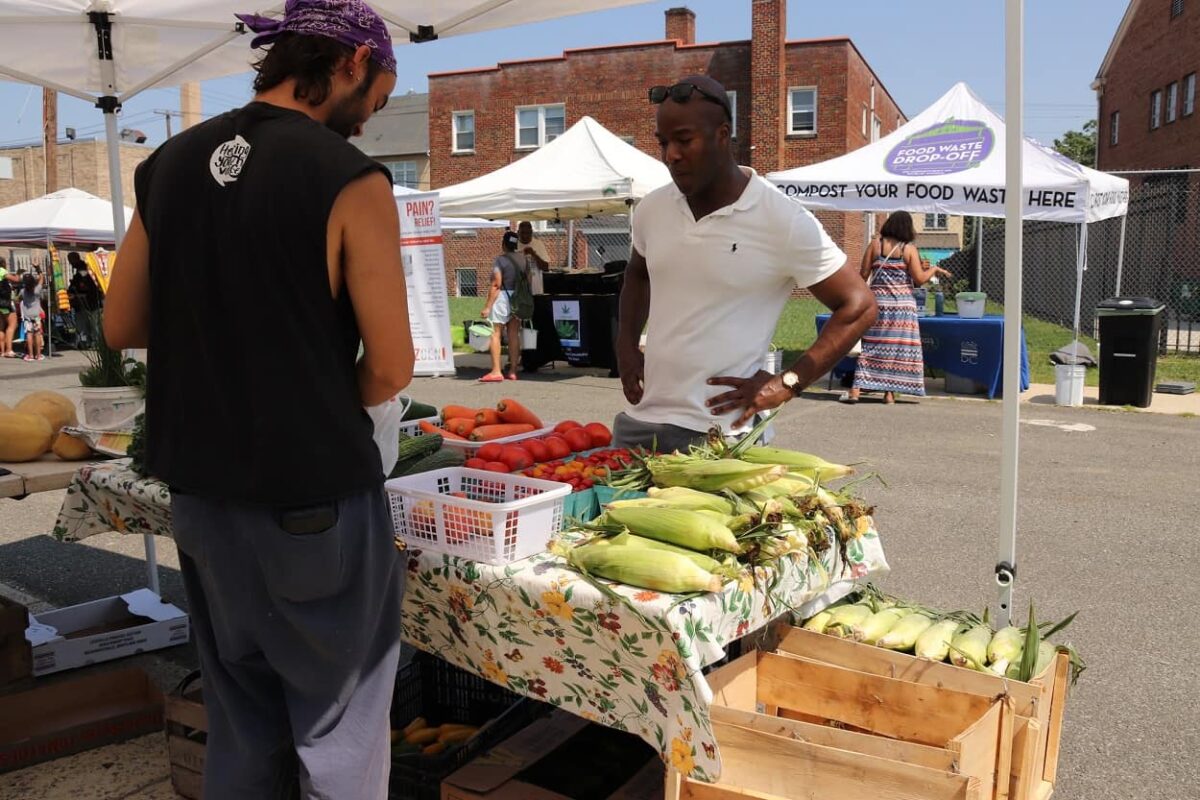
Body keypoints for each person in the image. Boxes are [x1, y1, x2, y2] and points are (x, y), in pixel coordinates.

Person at [102, 2, 414, 798]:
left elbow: (123, 322)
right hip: (311, 499)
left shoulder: (167, 162)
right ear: (350, 63)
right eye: (380, 92)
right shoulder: (348, 177)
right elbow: (392, 364)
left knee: (242, 719)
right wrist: (312, 391)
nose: (374, 115)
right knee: (337, 728)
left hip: (203, 494)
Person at [614, 75, 877, 453]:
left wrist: (789, 382)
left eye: (684, 140)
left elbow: (860, 305)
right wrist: (625, 344)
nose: (671, 154)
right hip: (640, 422)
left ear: (723, 135)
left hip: (723, 435)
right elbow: (638, 275)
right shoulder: (652, 208)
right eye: (663, 142)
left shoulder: (780, 218)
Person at [843, 211, 952, 405]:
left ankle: (855, 390)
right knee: (896, 349)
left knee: (870, 346)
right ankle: (889, 394)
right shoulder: (908, 249)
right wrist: (933, 269)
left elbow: (863, 274)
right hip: (903, 308)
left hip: (878, 304)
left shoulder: (875, 245)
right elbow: (919, 279)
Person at [480, 229, 525, 382]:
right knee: (514, 334)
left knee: (495, 333)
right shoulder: (524, 260)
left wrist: (487, 306)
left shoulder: (500, 260)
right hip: (518, 298)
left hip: (503, 298)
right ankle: (513, 370)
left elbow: (496, 284)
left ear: (503, 244)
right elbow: (529, 281)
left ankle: (496, 371)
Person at [67, 252, 102, 346]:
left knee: (91, 323)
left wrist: (76, 292)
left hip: (89, 302)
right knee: (89, 323)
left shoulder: (82, 269)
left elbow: (85, 286)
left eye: (70, 260)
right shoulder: (80, 269)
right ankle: (90, 341)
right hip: (86, 302)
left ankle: (93, 341)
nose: (70, 263)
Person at [516, 220, 551, 293]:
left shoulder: (538, 244)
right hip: (520, 291)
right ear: (518, 232)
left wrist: (534, 254)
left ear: (531, 232)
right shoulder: (514, 245)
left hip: (535, 290)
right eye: (523, 233)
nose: (525, 236)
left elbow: (545, 267)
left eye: (527, 233)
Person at [18, 272, 44, 361]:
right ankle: (39, 355)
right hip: (36, 316)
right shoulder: (37, 290)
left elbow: (18, 299)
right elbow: (41, 279)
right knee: (37, 334)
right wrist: (38, 269)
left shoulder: (22, 291)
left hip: (27, 316)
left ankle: (30, 355)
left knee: (29, 334)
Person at [0, 258, 20, 358]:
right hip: (5, 302)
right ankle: (9, 350)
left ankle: (2, 351)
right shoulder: (1, 270)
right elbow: (16, 280)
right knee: (12, 325)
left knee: (1, 327)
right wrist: (18, 274)